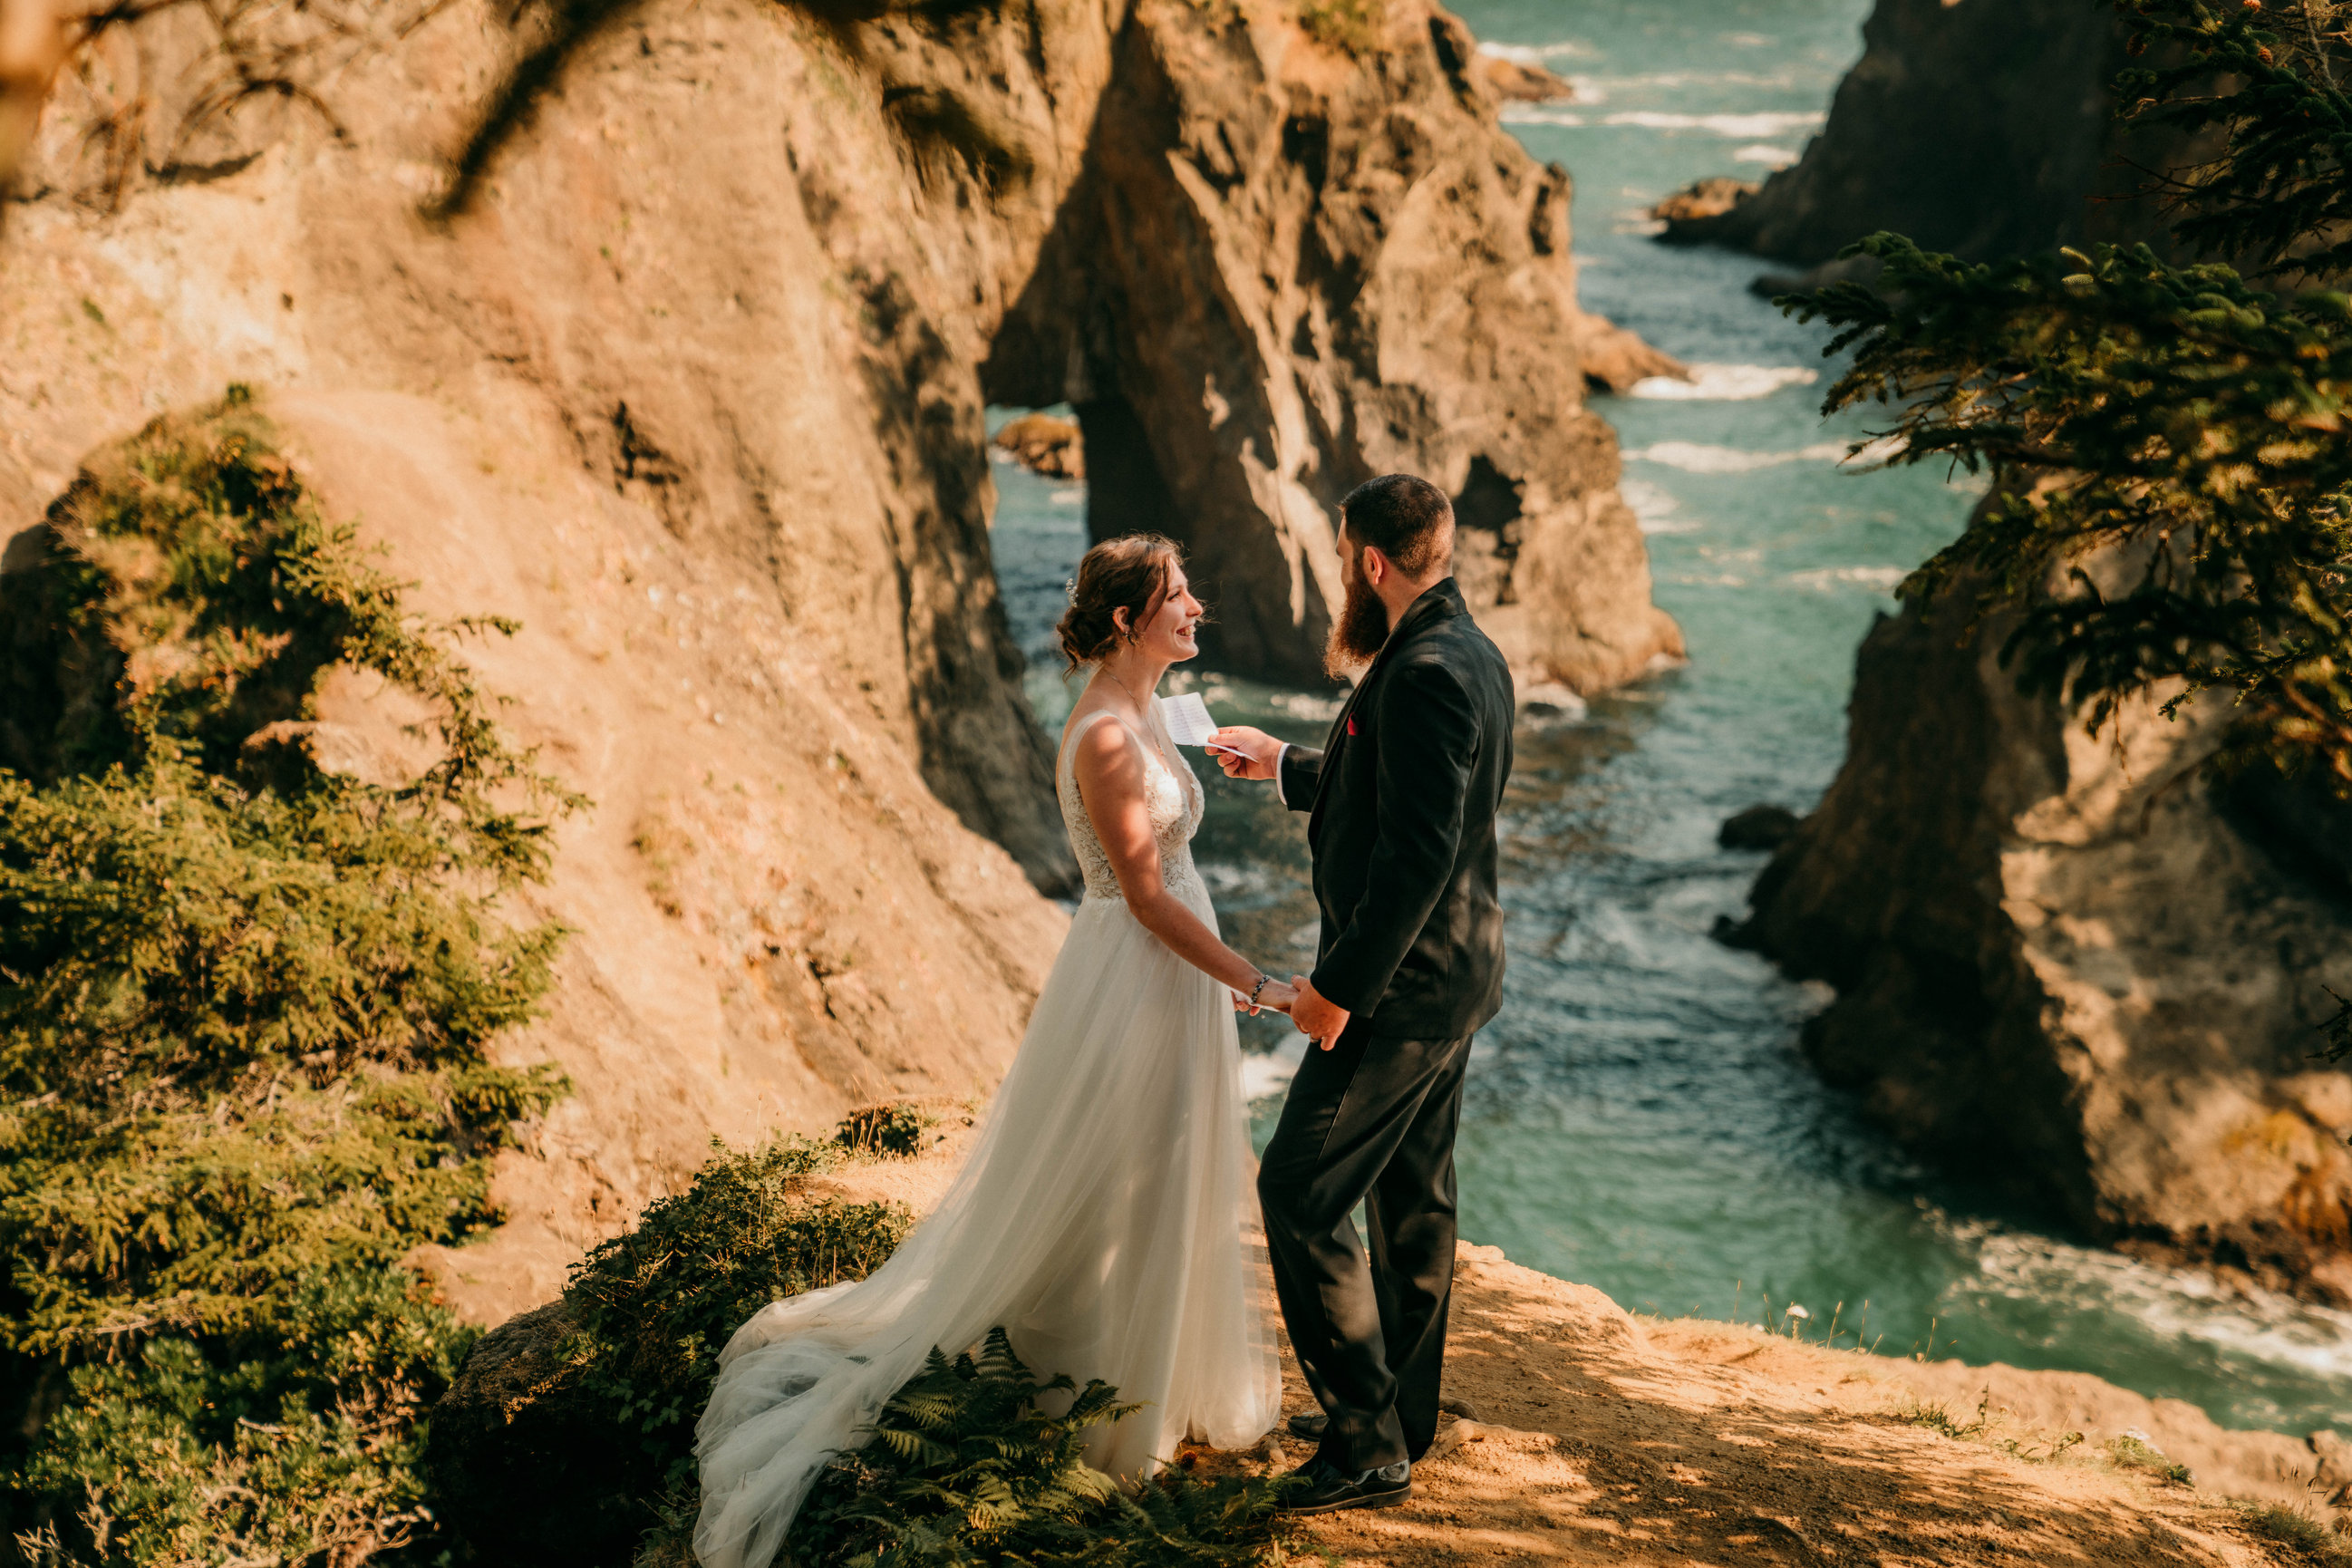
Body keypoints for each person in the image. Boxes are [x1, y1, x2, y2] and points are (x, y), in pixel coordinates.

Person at [693, 535, 1286, 1568]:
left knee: (1172, 1169)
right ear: (1124, 621)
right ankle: (1106, 1404)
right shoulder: (1105, 734)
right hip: (1136, 974)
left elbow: (1166, 857)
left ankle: (1150, 1375)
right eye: (1178, 595)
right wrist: (1257, 980)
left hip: (1168, 971)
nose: (1198, 606)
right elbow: (1144, 895)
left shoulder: (1147, 710)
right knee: (1122, 1178)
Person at [1211, 473, 1514, 1515]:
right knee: (1412, 1196)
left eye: (1346, 557)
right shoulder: (1465, 648)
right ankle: (1401, 1414)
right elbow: (1412, 792)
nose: (1345, 572)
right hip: (1458, 972)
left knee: (1298, 1190)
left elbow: (1418, 856)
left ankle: (1365, 1441)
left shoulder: (1424, 667)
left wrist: (1335, 990)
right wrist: (1289, 765)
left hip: (1403, 988)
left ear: (1372, 561)